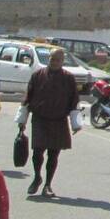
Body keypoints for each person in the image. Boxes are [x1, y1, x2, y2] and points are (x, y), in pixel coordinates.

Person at [20, 47, 79, 198]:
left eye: (58, 60)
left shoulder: (68, 78)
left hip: (59, 120)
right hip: (40, 118)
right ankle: (37, 177)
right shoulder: (37, 75)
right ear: (48, 59)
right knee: (37, 152)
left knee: (53, 155)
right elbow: (27, 98)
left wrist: (75, 122)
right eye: (52, 59)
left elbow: (74, 101)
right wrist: (22, 120)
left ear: (62, 61)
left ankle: (47, 184)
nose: (54, 62)